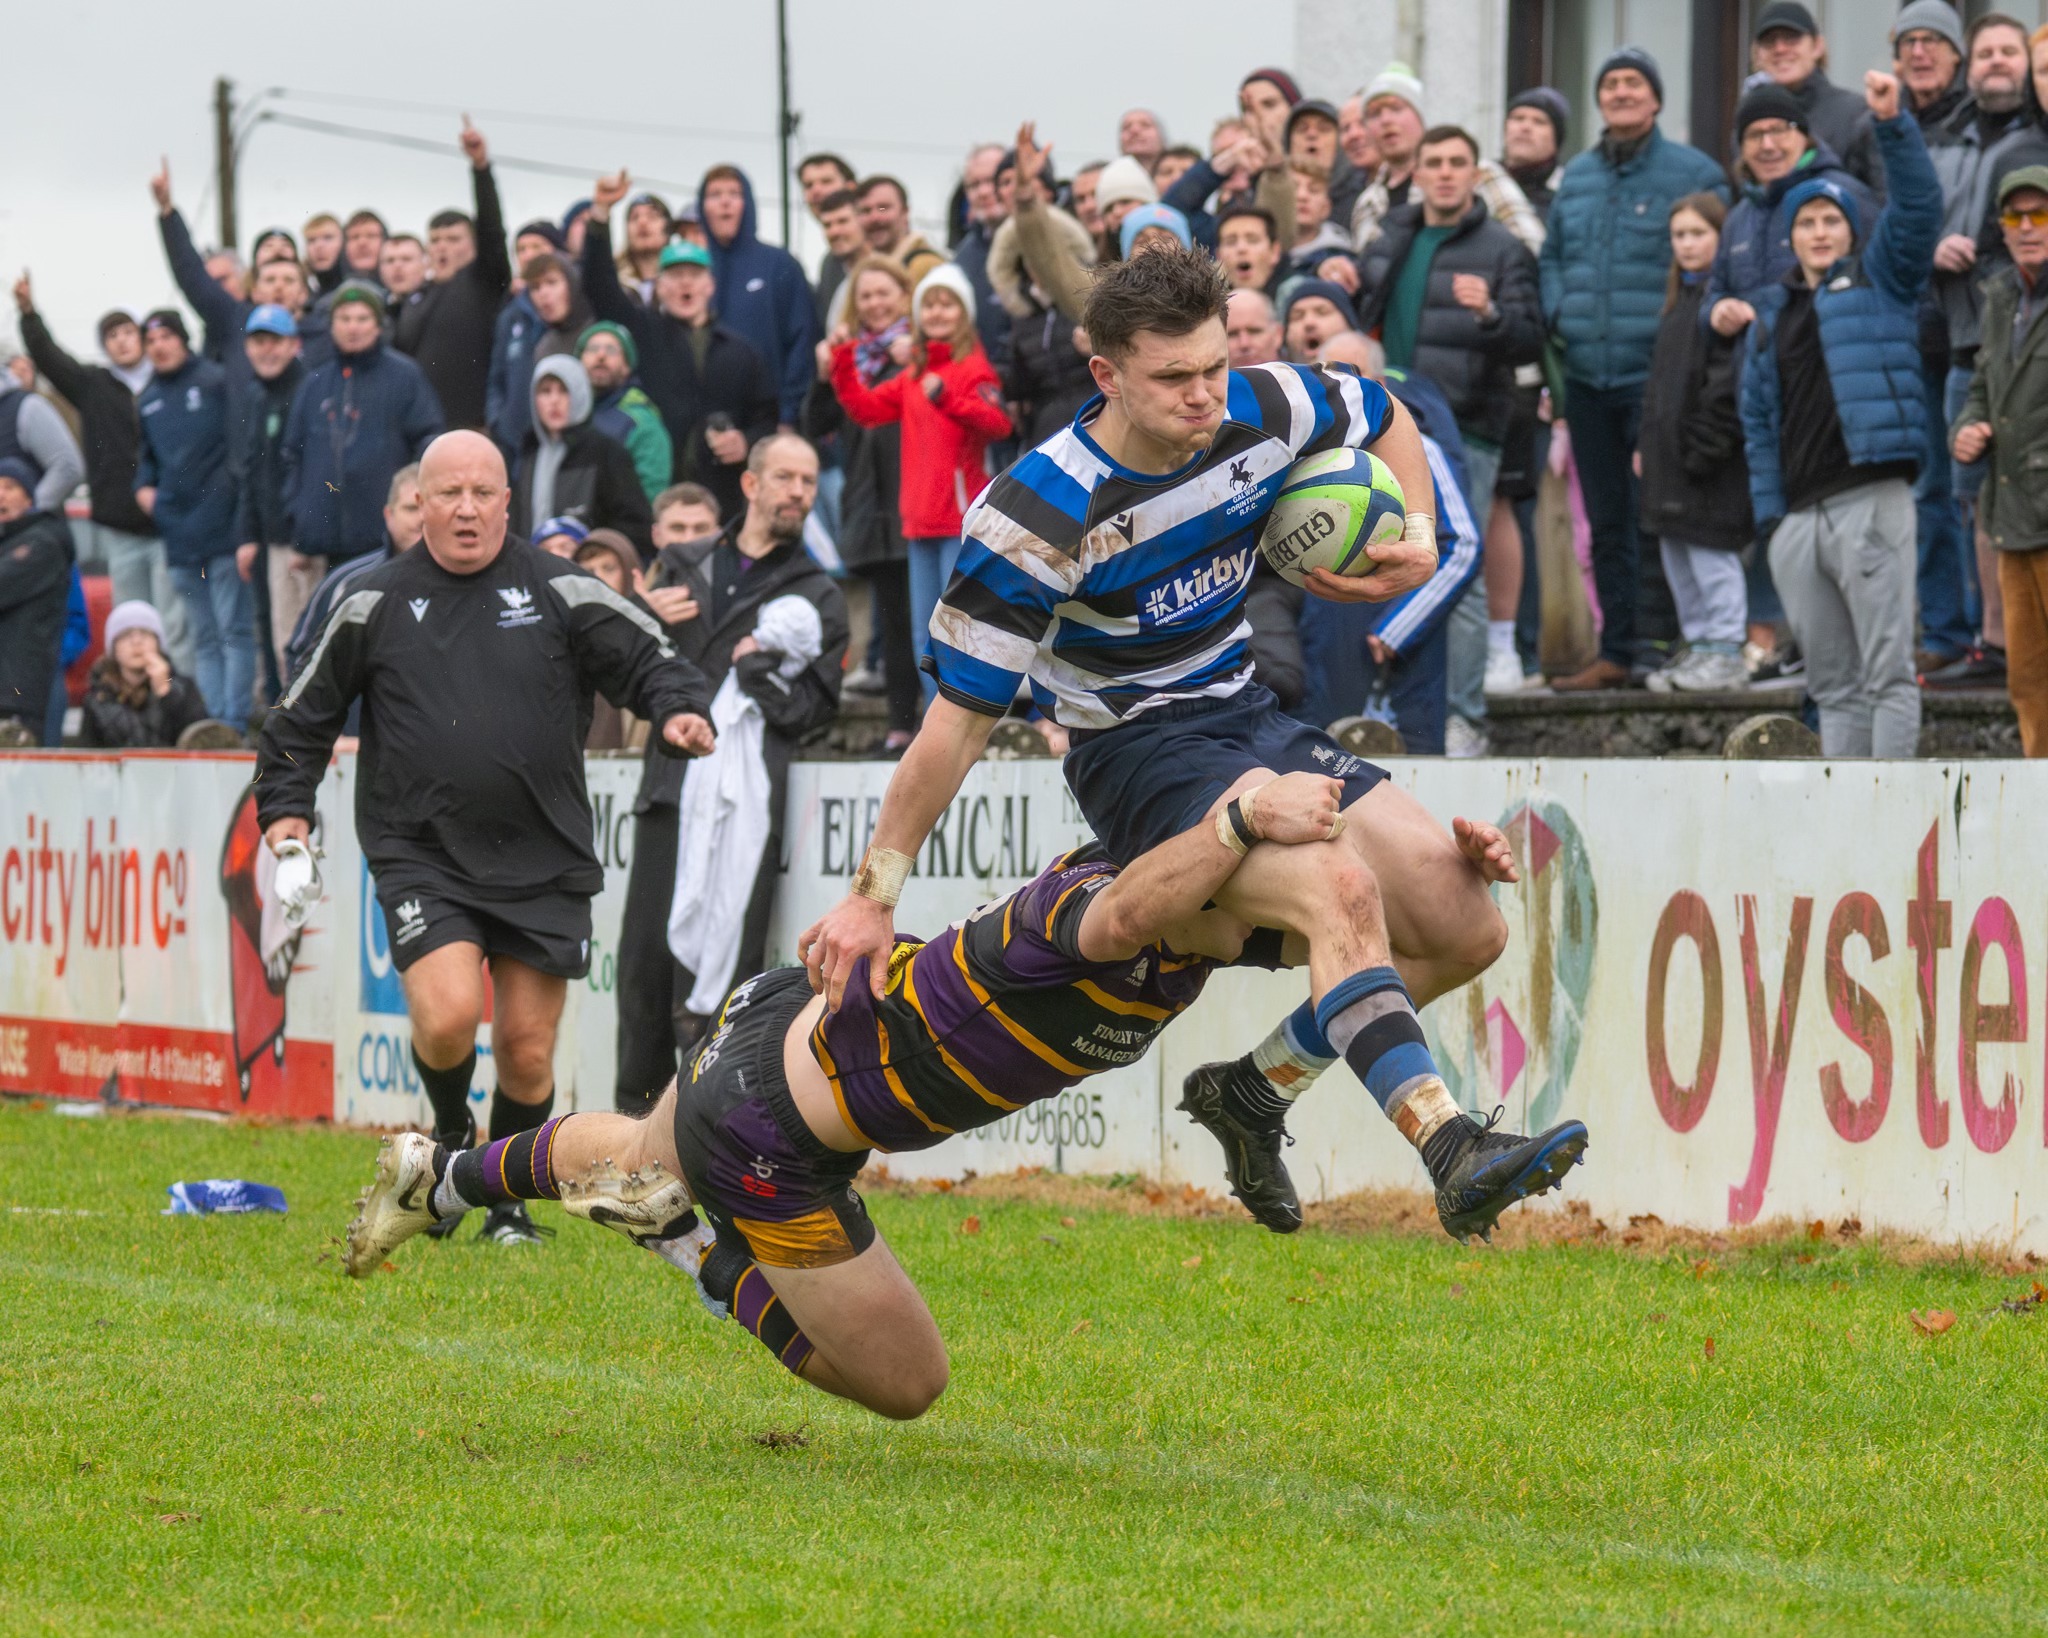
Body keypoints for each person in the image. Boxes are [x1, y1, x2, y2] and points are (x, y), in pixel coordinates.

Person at [346, 768, 1577, 1421]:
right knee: (902, 1386)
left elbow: (1362, 958)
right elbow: (1131, 911)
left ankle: (439, 1178)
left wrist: (1439, 880)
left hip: (779, 1020)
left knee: (632, 1146)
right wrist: (1242, 812)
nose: (1276, 902)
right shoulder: (1082, 910)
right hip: (775, 1141)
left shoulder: (1198, 931)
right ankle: (688, 1248)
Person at [800, 246, 1567, 1236]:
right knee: (1340, 888)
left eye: (1213, 367)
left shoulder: (1261, 402)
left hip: (1246, 711)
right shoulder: (1035, 514)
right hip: (1135, 754)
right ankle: (1451, 1145)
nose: (1204, 396)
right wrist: (873, 896)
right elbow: (952, 730)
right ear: (1107, 374)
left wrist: (1417, 530)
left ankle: (1249, 1091)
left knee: (1467, 927)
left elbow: (1383, 412)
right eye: (1173, 378)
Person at [259, 431, 714, 1245]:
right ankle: (451, 1137)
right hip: (421, 851)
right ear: (418, 504)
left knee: (528, 1052)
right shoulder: (371, 599)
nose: (466, 509)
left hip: (544, 853)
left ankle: (503, 1203)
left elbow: (650, 656)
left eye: (482, 493)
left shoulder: (561, 587)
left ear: (508, 501)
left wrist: (679, 709)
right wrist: (286, 809)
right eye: (449, 494)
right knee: (446, 1019)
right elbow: (301, 716)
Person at [614, 433, 846, 1110]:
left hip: (744, 808)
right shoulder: (681, 564)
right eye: (785, 477)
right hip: (668, 787)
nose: (798, 492)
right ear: (750, 484)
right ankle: (626, 1133)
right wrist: (641, 617)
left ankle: (703, 1136)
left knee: (724, 986)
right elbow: (626, 669)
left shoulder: (818, 593)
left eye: (808, 481)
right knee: (644, 973)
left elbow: (812, 711)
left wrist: (756, 674)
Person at [1741, 72, 1939, 760]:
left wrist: (1893, 126)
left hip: (1869, 500)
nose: (1819, 231)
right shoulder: (1771, 316)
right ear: (1790, 237)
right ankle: (1844, 818)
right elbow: (1757, 426)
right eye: (1806, 222)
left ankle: (1888, 814)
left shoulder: (1881, 282)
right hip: (1799, 520)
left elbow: (1919, 207)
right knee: (1832, 687)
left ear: (1851, 231)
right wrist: (1774, 521)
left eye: (1831, 220)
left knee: (1887, 675)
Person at [1539, 47, 1727, 691]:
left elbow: (1717, 256)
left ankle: (1668, 646)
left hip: (1658, 377)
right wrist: (1559, 311)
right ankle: (1617, 651)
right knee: (1606, 520)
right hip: (1588, 377)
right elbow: (1552, 257)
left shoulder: (1693, 171)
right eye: (1610, 83)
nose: (1620, 92)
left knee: (1664, 513)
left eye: (1633, 83)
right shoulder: (1578, 176)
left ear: (1656, 99)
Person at [1355, 124, 1544, 753]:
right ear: (1416, 173)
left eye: (1456, 162)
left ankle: (1465, 718)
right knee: (1384, 554)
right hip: (1388, 423)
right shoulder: (1393, 234)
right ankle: (1390, 708)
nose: (1443, 172)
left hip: (1465, 427)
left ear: (1474, 173)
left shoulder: (1502, 248)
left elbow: (1530, 338)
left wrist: (1490, 313)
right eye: (1432, 162)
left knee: (1458, 565)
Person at [1289, 332, 1482, 756]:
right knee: (1326, 761)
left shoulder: (1418, 449)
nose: (1343, 388)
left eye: (1356, 376)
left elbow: (1463, 545)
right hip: (1325, 635)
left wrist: (1398, 629)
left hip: (1400, 637)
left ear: (1381, 385)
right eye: (1330, 377)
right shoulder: (1302, 455)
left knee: (1411, 761)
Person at [826, 263, 1010, 703]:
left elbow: (999, 423)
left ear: (964, 313)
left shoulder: (973, 368)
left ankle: (967, 721)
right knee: (923, 637)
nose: (938, 312)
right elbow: (866, 409)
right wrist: (843, 360)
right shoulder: (912, 376)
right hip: (918, 524)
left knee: (959, 630)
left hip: (960, 523)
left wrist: (948, 398)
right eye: (929, 304)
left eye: (948, 304)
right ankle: (932, 724)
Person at [1919, 12, 2038, 689]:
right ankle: (1990, 641)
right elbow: (1938, 230)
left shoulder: (2023, 144)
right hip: (1969, 341)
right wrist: (1939, 248)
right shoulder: (1954, 139)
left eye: (2010, 52)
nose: (1998, 61)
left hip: (2025, 334)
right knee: (1973, 497)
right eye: (1985, 51)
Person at [584, 187, 780, 524]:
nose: (685, 284)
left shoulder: (742, 351)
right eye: (675, 275)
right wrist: (600, 216)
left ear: (710, 285)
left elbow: (767, 418)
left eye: (694, 275)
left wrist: (745, 442)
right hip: (658, 494)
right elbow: (599, 287)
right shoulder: (643, 332)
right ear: (660, 286)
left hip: (724, 501)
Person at [12, 278, 179, 666]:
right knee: (129, 622)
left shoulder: (168, 380)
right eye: (112, 336)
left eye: (128, 332)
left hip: (169, 524)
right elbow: (50, 358)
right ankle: (134, 696)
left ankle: (173, 694)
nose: (122, 341)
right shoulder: (94, 385)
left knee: (172, 625)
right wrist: (29, 314)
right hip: (120, 526)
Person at [1638, 195, 1754, 692]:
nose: (1687, 244)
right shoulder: (1678, 303)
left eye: (1698, 233)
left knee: (1711, 556)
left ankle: (1726, 650)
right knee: (1679, 558)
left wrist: (1703, 450)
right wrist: (1649, 447)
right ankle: (1701, 646)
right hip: (1670, 461)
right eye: (1679, 235)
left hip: (1707, 464)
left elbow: (1726, 391)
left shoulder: (1721, 308)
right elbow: (1660, 388)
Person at [803, 258, 917, 748]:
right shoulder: (853, 358)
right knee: (891, 623)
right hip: (869, 507)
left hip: (915, 503)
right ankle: (899, 727)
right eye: (865, 295)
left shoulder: (922, 351)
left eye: (883, 292)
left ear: (904, 295)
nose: (874, 303)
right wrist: (824, 376)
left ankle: (931, 721)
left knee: (925, 620)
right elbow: (817, 424)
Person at [1953, 166, 2048, 752]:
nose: (2028, 227)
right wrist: (1966, 429)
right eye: (2016, 216)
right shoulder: (1999, 297)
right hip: (2011, 517)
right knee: (2028, 680)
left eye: (2040, 214)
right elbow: (1980, 388)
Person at [134, 311, 251, 731]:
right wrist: (144, 490)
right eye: (151, 341)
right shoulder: (147, 398)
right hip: (179, 537)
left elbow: (241, 448)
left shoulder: (215, 381)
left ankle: (235, 722)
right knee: (203, 636)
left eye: (167, 336)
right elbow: (145, 460)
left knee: (234, 631)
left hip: (222, 531)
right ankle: (211, 723)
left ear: (183, 339)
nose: (159, 346)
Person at [282, 284, 445, 570]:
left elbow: (429, 443)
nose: (353, 327)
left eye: (362, 318)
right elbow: (292, 455)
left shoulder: (405, 377)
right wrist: (299, 519)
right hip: (327, 542)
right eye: (344, 319)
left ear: (378, 326)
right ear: (332, 326)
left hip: (387, 539)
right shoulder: (314, 384)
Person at [153, 161, 332, 396]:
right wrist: (168, 212)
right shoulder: (235, 321)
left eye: (289, 281)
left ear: (303, 292)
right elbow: (192, 277)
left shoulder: (325, 334)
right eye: (270, 280)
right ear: (254, 290)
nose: (279, 287)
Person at [390, 120, 511, 431]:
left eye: (454, 239)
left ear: (473, 244)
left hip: (471, 426)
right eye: (436, 240)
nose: (443, 247)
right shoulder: (416, 296)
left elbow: (492, 230)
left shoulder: (484, 280)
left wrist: (480, 168)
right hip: (421, 430)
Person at [283, 465, 423, 703]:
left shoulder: (470, 582)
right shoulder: (346, 583)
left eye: (428, 509)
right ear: (389, 515)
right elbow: (302, 659)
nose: (421, 519)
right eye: (411, 508)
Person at [696, 163, 821, 426]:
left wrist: (789, 415)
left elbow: (802, 342)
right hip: (705, 423)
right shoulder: (693, 271)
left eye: (734, 194)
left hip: (770, 420)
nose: (725, 202)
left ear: (748, 204)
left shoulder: (779, 264)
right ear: (702, 207)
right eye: (715, 195)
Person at [230, 304, 310, 698]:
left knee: (301, 640)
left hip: (298, 542)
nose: (267, 350)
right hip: (267, 539)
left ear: (294, 344)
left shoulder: (307, 391)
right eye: (258, 341)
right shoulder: (257, 395)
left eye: (275, 341)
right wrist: (247, 536)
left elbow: (313, 472)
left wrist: (303, 537)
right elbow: (250, 469)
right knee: (277, 639)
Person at [509, 355, 654, 558]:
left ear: (580, 393)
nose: (554, 401)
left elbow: (635, 524)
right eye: (545, 391)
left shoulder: (605, 451)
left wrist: (592, 551)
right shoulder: (527, 453)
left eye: (564, 390)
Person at [1749, 2, 1882, 197]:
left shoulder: (1856, 113)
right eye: (1769, 41)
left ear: (1817, 45)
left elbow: (1877, 197)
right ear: (1757, 54)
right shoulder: (1749, 122)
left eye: (1791, 38)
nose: (1780, 48)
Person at [0, 457, 73, 742]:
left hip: (21, 695)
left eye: (10, 487)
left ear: (30, 498)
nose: (1, 495)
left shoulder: (42, 543)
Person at [77, 599, 211, 748]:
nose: (136, 642)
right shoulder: (98, 698)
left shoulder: (184, 689)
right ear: (114, 648)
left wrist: (166, 693)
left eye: (145, 634)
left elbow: (200, 743)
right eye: (126, 635)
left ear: (158, 644)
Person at [577, 322, 674, 504]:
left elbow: (651, 496)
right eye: (592, 349)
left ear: (627, 366)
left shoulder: (642, 422)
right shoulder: (565, 417)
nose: (601, 356)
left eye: (612, 350)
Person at [955, 144, 1014, 370]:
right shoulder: (962, 259)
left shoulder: (1044, 240)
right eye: (974, 185)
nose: (983, 192)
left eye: (991, 181)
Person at [1501, 89, 1570, 221]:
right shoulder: (1480, 183)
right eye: (1518, 118)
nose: (1525, 127)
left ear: (1557, 138)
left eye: (1539, 121)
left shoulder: (1570, 191)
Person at [812, 189, 870, 331]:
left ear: (863, 221)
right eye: (827, 225)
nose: (834, 232)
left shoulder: (887, 265)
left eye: (843, 221)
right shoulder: (830, 266)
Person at [617, 192, 674, 304]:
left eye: (652, 217)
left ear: (668, 229)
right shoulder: (612, 280)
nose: (642, 222)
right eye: (634, 218)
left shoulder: (683, 281)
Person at [1216, 204, 1285, 296]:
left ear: (1275, 251)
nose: (1241, 248)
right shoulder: (1208, 302)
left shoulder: (1298, 296)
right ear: (1219, 256)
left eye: (1253, 240)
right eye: (1231, 242)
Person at [1226, 288, 1284, 367]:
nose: (1244, 343)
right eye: (1232, 334)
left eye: (1254, 331)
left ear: (1278, 335)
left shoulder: (1299, 374)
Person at [378, 234, 427, 306]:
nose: (397, 266)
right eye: (390, 260)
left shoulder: (440, 302)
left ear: (425, 265)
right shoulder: (373, 306)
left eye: (406, 259)